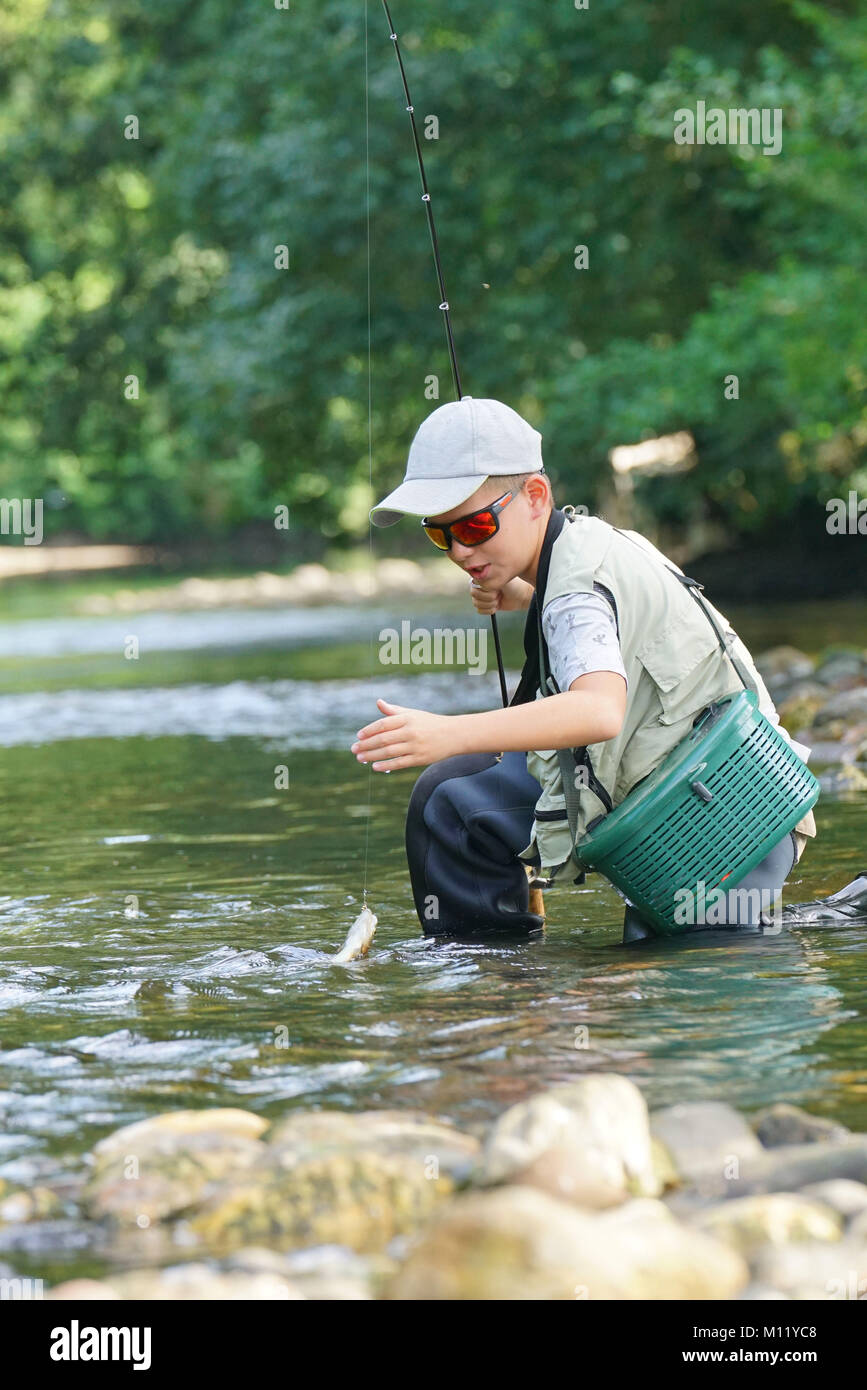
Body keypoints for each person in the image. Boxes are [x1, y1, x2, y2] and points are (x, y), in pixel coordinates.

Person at [352, 396, 840, 943]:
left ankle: (496, 987)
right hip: (699, 792)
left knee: (679, 973)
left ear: (536, 497)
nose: (461, 551)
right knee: (456, 797)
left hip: (722, 828)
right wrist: (521, 593)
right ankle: (501, 982)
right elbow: (602, 613)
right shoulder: (587, 544)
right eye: (440, 534)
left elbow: (598, 709)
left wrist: (446, 732)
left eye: (475, 526)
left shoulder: (574, 593)